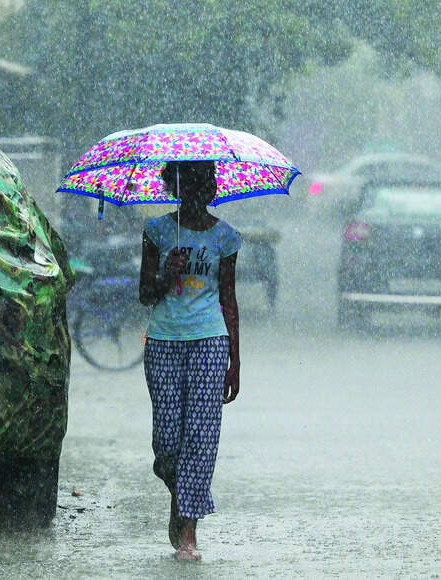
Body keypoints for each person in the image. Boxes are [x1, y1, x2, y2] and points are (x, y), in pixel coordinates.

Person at [138, 160, 241, 561]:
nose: (196, 194)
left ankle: (188, 533)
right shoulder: (157, 232)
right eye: (188, 185)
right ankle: (181, 496)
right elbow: (145, 294)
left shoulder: (226, 238)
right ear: (175, 188)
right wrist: (167, 273)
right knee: (167, 444)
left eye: (203, 185)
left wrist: (235, 360)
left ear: (211, 189)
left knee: (200, 438)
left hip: (210, 341)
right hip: (163, 342)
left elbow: (229, 300)